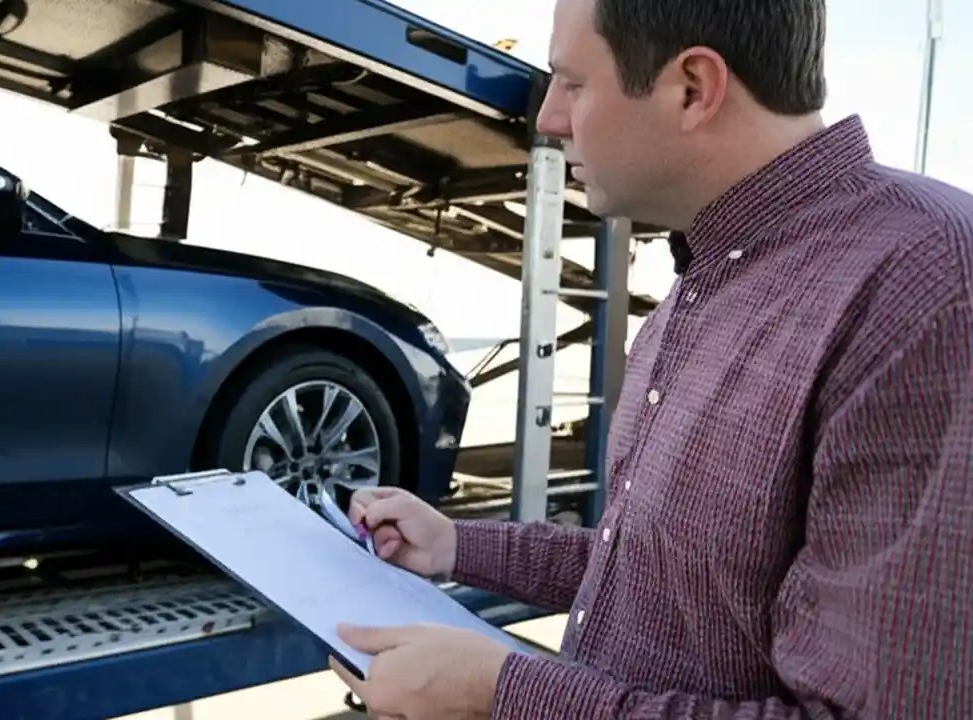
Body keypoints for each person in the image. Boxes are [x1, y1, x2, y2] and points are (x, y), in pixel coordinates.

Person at [328, 0, 973, 717]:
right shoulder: (707, 275)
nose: (548, 118)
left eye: (572, 84)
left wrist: (500, 692)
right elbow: (657, 579)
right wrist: (455, 546)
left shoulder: (926, 288)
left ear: (693, 88)